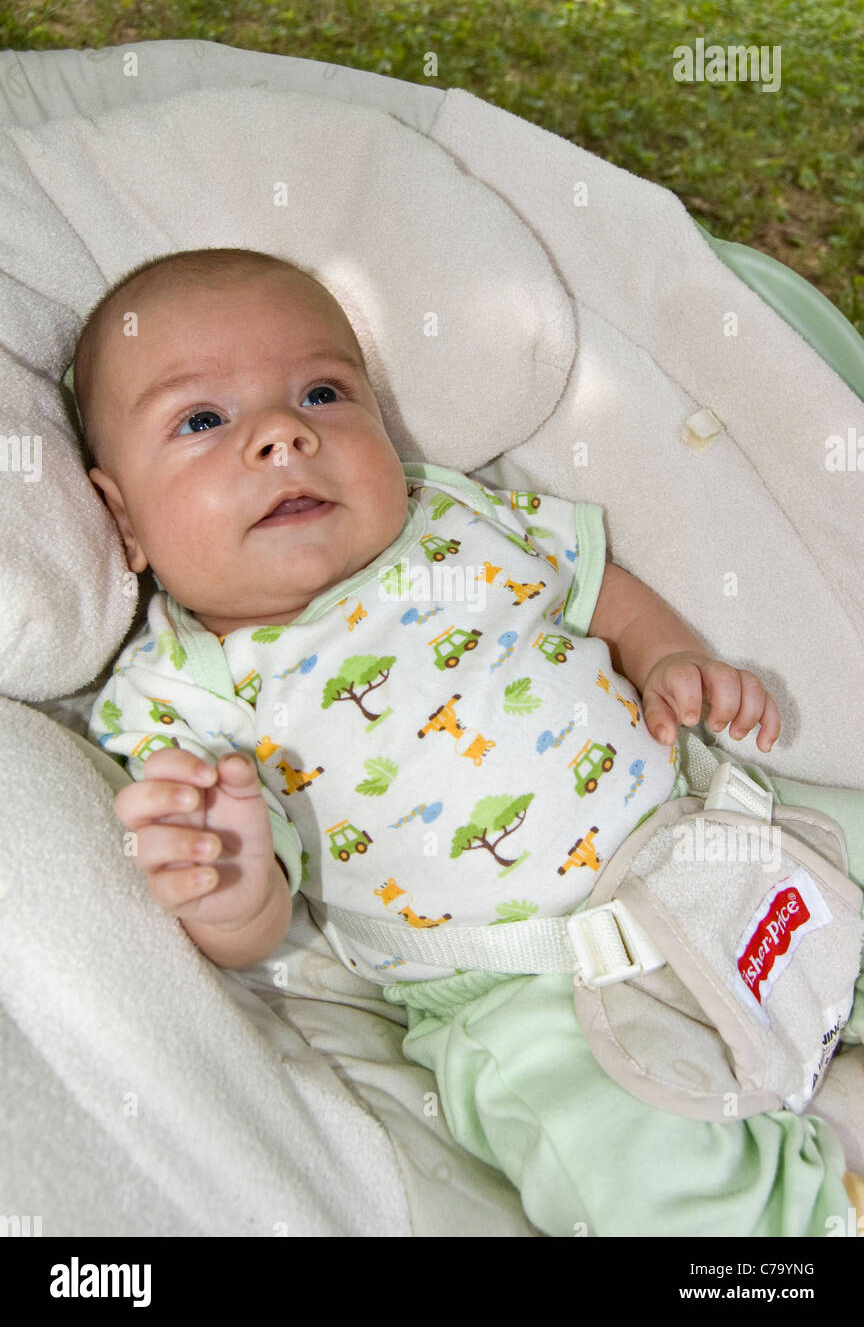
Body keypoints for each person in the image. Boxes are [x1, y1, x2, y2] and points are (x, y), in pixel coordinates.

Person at [75, 246, 863, 1237]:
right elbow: (255, 927)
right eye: (202, 421)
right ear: (121, 518)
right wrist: (229, 875)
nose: (283, 435)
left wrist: (668, 658)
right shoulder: (175, 696)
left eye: (322, 392)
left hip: (714, 832)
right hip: (523, 990)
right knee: (612, 1157)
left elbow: (591, 584)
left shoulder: (448, 514)